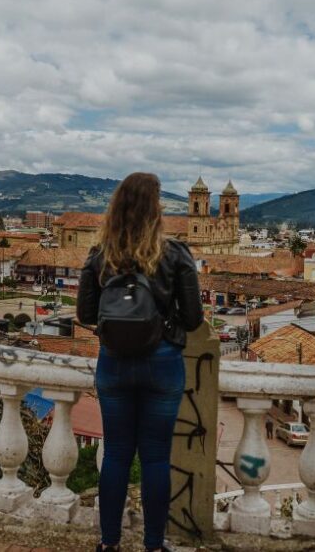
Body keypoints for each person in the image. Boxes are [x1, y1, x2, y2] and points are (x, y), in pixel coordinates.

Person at [77, 172, 203, 552]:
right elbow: (195, 318)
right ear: (156, 209)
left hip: (114, 363)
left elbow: (84, 313)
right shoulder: (176, 253)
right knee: (155, 457)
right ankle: (153, 544)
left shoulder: (100, 255)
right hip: (163, 363)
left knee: (116, 453)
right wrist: (165, 328)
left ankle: (109, 543)